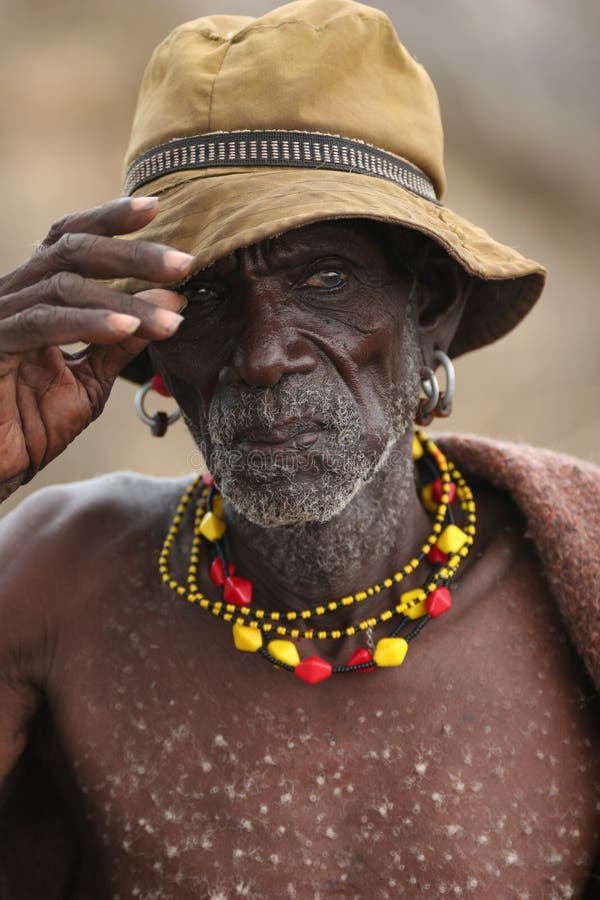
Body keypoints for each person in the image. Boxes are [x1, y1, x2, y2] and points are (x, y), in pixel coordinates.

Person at [0, 1, 599, 897]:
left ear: (431, 304)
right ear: (145, 339)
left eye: (324, 276)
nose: (263, 354)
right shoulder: (55, 580)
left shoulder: (572, 582)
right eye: (203, 297)